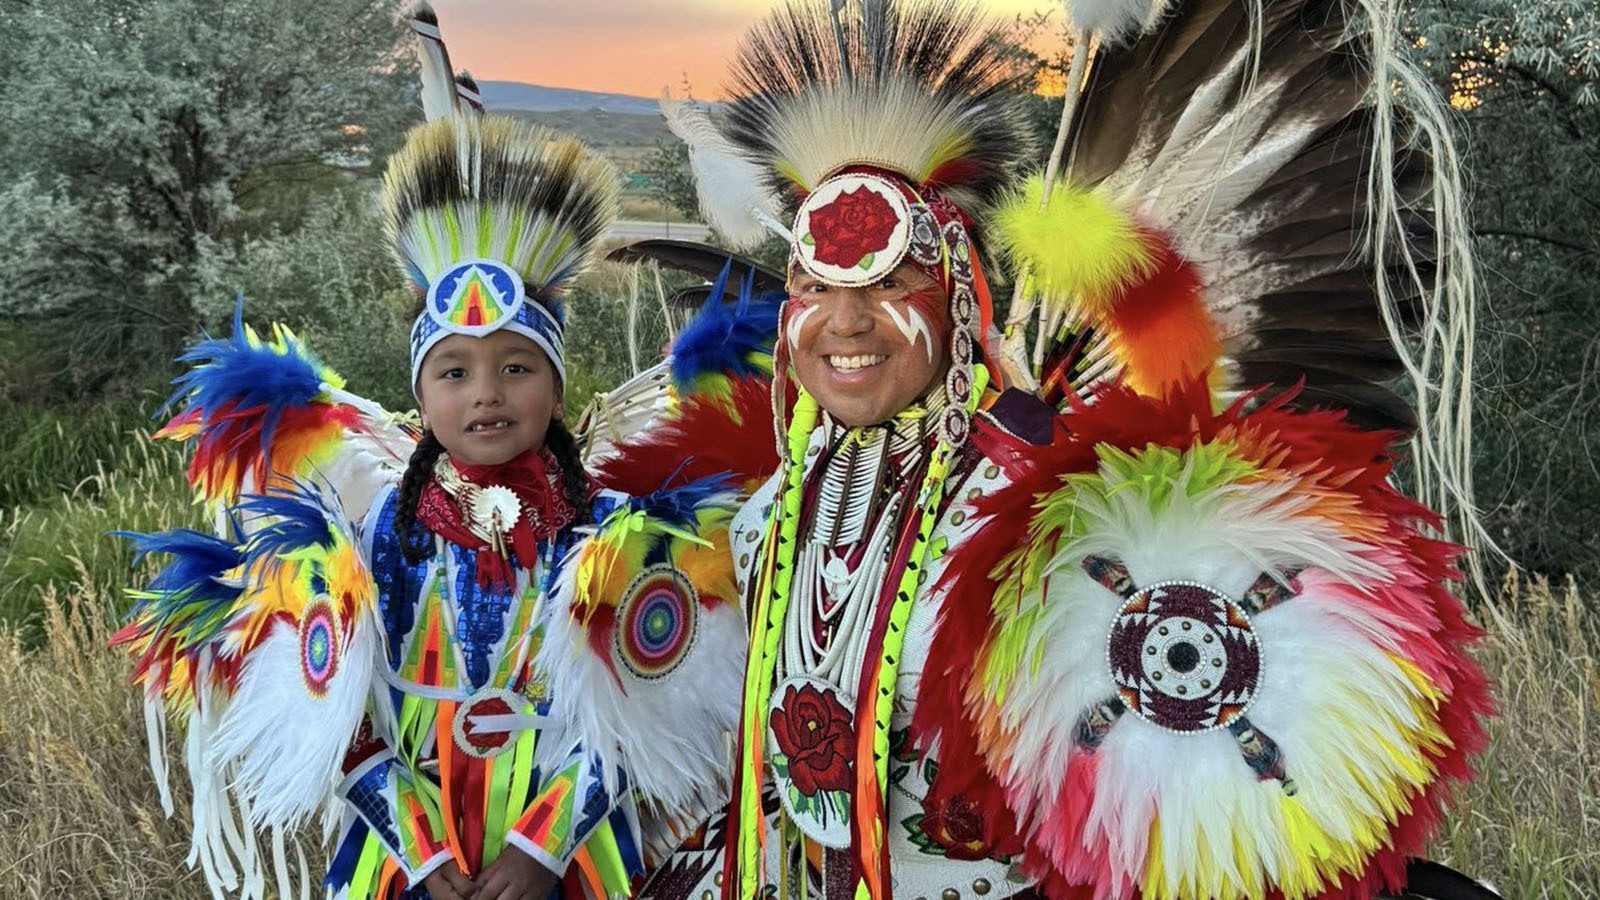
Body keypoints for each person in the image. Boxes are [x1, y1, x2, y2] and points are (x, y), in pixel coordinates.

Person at [539, 0, 1503, 898]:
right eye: (816, 290)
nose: (845, 324)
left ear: (958, 298)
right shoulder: (763, 516)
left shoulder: (1038, 508)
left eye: (888, 289)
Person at [114, 104, 654, 900]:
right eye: (454, 372)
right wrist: (425, 856)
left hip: (570, 860)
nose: (486, 395)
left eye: (516, 367)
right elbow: (344, 718)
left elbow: (640, 713)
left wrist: (541, 850)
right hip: (405, 863)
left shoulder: (610, 536)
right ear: (420, 394)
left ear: (556, 384)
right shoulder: (372, 539)